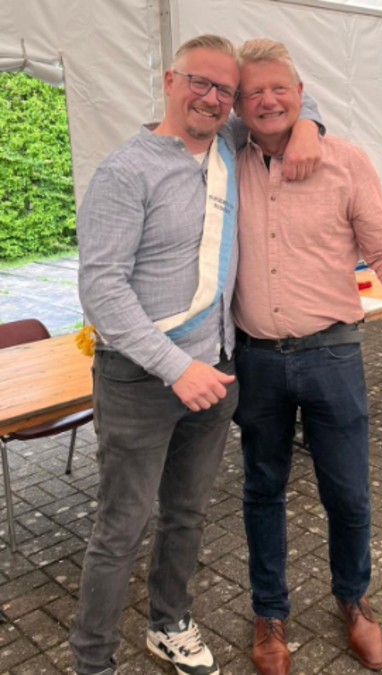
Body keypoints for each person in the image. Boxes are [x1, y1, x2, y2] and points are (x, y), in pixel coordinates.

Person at [70, 34, 323, 675]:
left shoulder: (230, 141)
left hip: (216, 372)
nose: (213, 99)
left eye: (225, 91)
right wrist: (175, 368)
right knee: (120, 527)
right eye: (199, 83)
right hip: (141, 379)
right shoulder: (126, 170)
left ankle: (168, 624)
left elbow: (289, 99)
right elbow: (101, 289)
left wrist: (311, 127)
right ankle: (91, 659)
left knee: (185, 514)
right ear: (168, 80)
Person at [229, 39, 382, 674]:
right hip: (256, 359)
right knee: (262, 489)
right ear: (240, 106)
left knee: (349, 494)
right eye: (255, 93)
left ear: (303, 94)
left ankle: (354, 600)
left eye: (282, 89)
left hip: (332, 352)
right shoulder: (225, 162)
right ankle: (269, 612)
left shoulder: (346, 160)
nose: (269, 100)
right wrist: (304, 125)